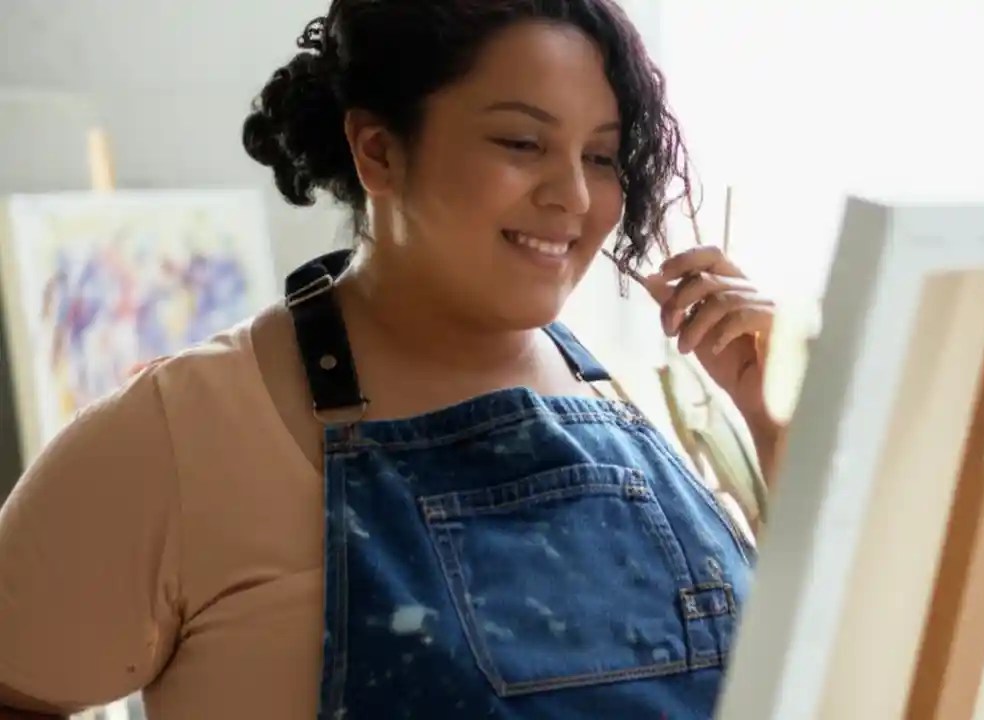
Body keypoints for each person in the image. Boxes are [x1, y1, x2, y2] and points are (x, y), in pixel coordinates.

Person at [0, 1, 783, 717]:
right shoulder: (181, 435)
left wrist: (787, 429)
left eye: (603, 156)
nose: (575, 197)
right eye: (521, 142)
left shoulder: (643, 404)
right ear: (377, 151)